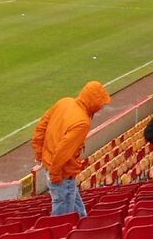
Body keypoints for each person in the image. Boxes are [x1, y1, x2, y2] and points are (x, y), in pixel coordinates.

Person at [32, 81, 111, 217]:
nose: (102, 107)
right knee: (63, 220)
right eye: (101, 103)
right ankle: (59, 237)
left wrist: (40, 155)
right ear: (94, 102)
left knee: (79, 212)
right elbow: (63, 152)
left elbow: (41, 128)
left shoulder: (64, 102)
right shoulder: (82, 123)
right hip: (62, 174)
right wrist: (55, 174)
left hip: (52, 166)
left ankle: (82, 228)